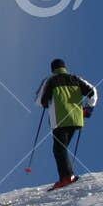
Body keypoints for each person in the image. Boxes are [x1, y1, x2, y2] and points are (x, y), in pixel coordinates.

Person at [35, 58, 97, 189]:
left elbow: (40, 101)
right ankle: (68, 175)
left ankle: (67, 177)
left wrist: (46, 103)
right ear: (64, 67)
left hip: (60, 120)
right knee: (62, 148)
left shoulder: (50, 80)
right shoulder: (75, 78)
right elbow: (93, 91)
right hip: (76, 119)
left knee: (59, 149)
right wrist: (89, 108)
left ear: (53, 69)